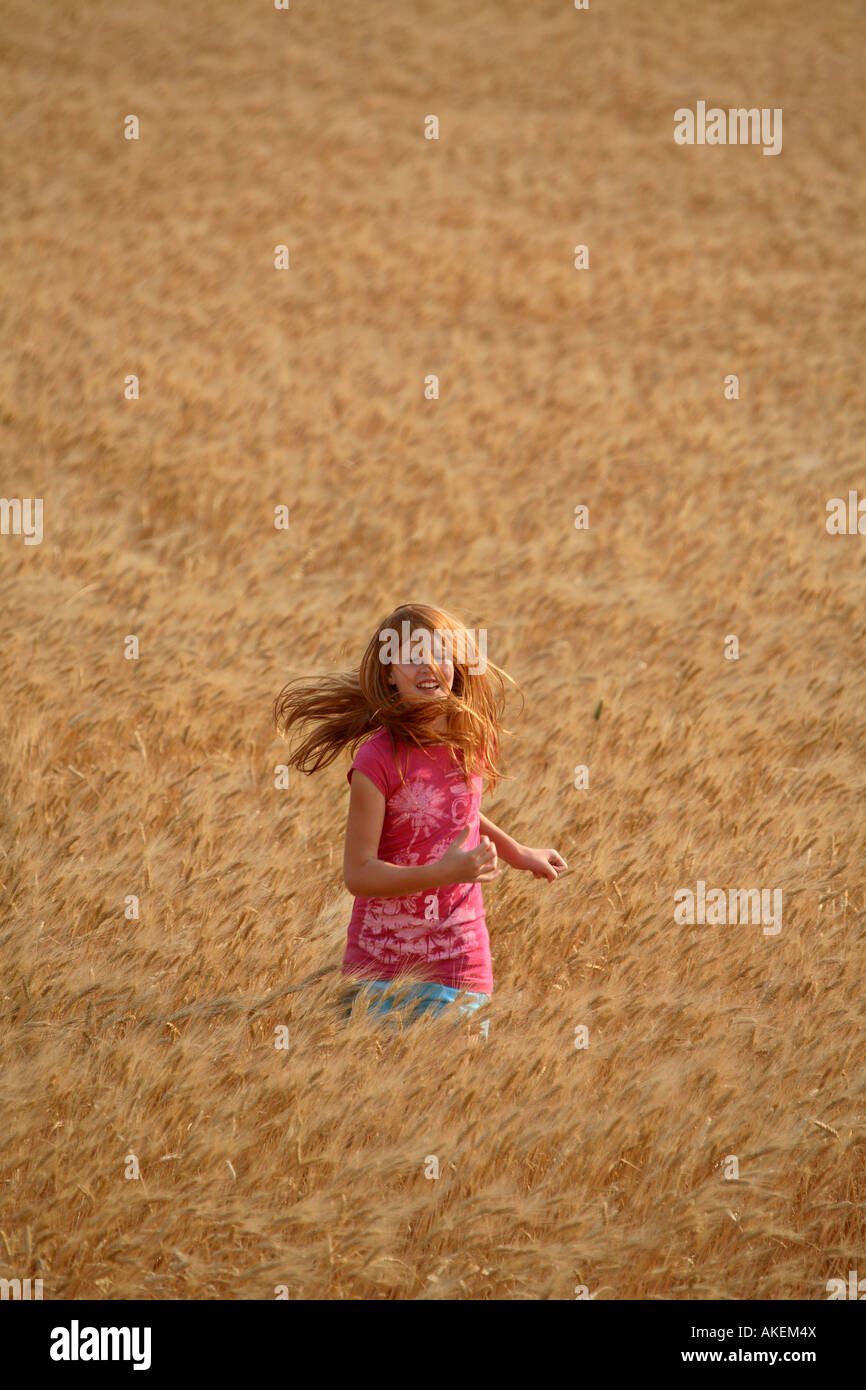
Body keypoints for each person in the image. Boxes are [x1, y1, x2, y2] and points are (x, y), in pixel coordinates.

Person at [273, 601, 566, 1034]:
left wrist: (518, 852)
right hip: (381, 973)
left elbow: (456, 812)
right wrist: (444, 872)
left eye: (441, 653)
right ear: (389, 672)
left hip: (460, 963)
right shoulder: (377, 760)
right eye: (412, 655)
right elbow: (358, 874)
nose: (429, 665)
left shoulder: (470, 740)